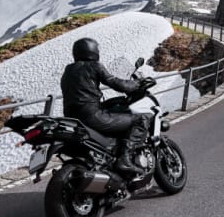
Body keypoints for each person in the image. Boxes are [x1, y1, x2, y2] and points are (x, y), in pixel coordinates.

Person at [60, 37, 154, 174]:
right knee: (141, 119)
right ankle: (125, 159)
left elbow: (82, 93)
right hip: (92, 116)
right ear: (92, 50)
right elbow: (116, 83)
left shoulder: (68, 70)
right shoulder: (94, 66)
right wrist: (137, 83)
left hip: (73, 118)